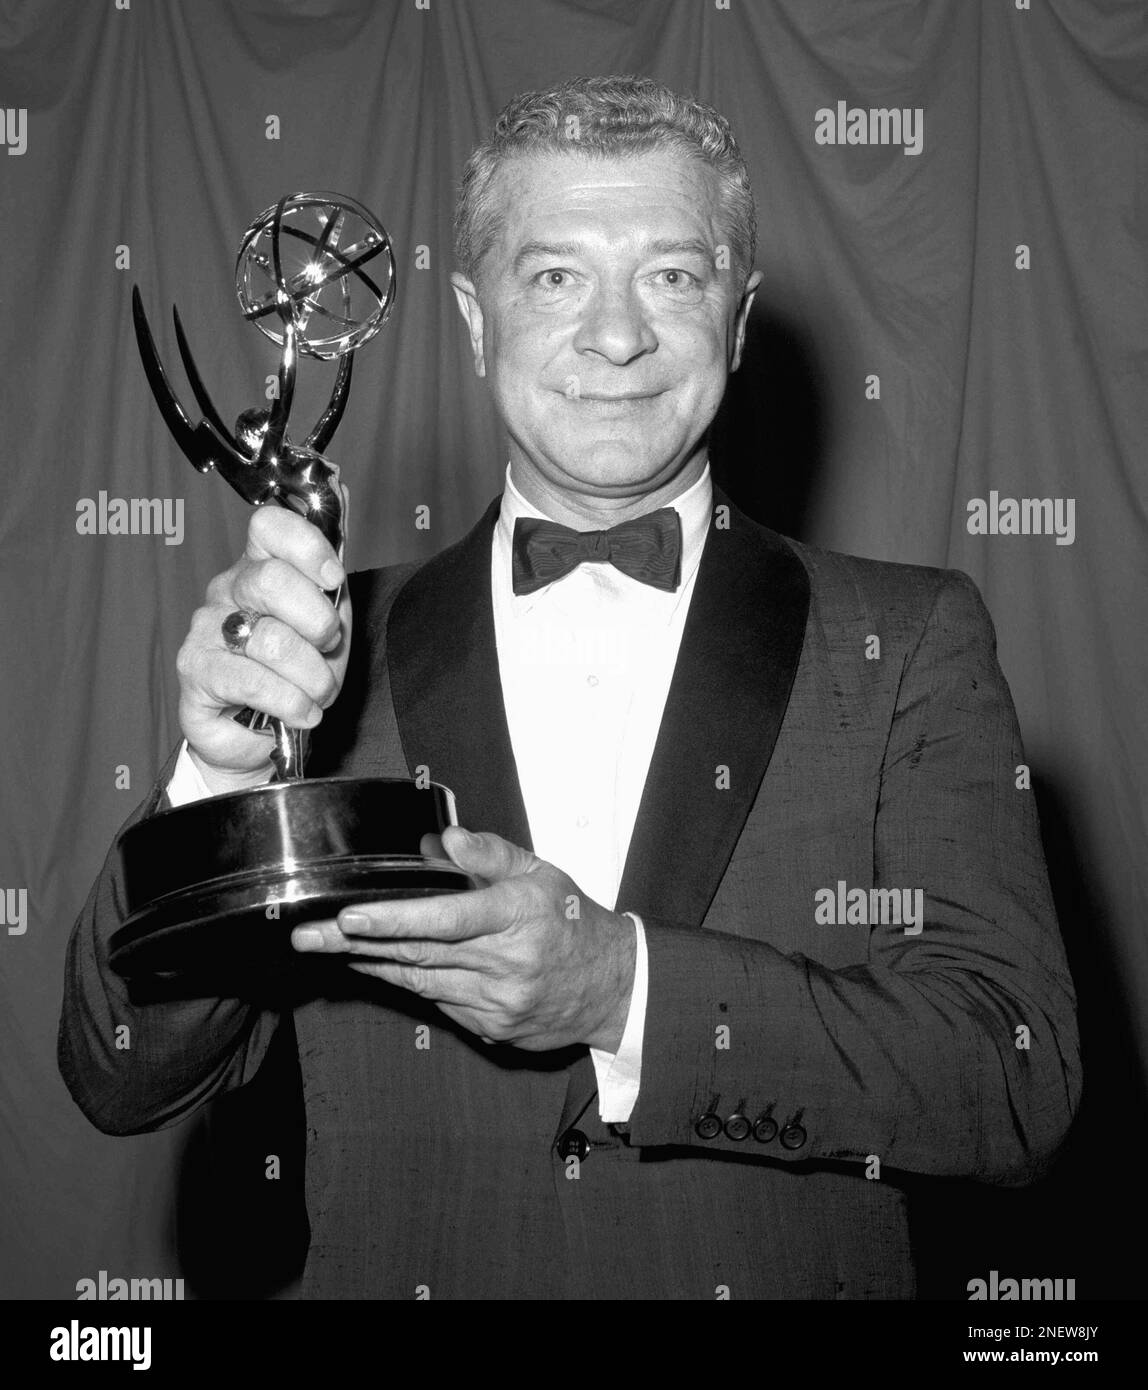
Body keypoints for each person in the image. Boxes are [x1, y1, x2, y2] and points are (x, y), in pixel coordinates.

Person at [59, 74, 1081, 1300]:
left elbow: (1014, 1081)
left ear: (739, 318)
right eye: (553, 276)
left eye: (671, 275)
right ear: (473, 318)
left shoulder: (910, 637)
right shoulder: (316, 653)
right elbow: (118, 1071)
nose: (615, 335)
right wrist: (213, 783)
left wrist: (621, 988)